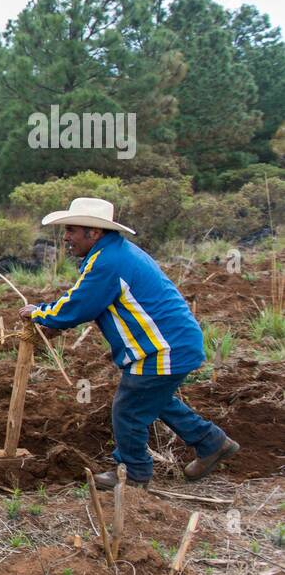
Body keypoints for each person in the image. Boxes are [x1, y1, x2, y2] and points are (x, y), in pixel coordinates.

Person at [17, 197, 238, 490]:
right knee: (156, 400)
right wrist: (54, 322)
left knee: (128, 408)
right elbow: (90, 303)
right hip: (176, 344)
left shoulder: (108, 261)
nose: (66, 238)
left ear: (93, 233)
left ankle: (133, 473)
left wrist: (40, 313)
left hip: (162, 349)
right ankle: (212, 443)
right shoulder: (112, 254)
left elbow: (79, 306)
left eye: (71, 230)